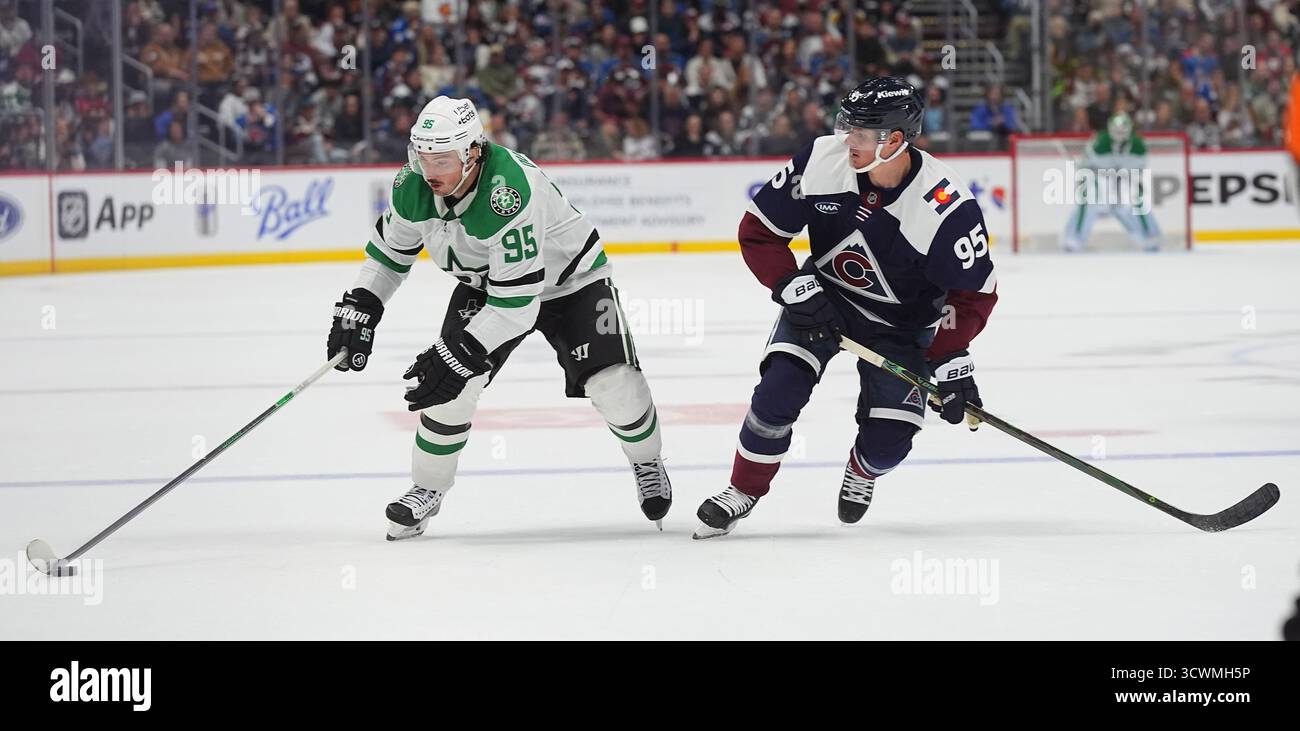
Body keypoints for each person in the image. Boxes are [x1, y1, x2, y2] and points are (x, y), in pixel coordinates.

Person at [326, 97, 672, 541]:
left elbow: (518, 307)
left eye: (442, 158)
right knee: (451, 387)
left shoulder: (506, 193)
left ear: (472, 153)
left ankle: (646, 459)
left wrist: (460, 351)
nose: (429, 169)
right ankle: (426, 488)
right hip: (489, 285)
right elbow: (389, 257)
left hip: (573, 283)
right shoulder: (412, 185)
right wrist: (362, 303)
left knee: (614, 383)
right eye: (422, 155)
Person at [694, 77, 999, 538]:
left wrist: (952, 357)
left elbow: (973, 294)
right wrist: (793, 286)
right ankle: (743, 490)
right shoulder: (822, 159)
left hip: (902, 325)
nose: (847, 140)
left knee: (889, 444)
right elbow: (760, 232)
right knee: (777, 392)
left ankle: (864, 468)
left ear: (894, 140)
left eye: (859, 133)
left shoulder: (946, 208)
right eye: (847, 127)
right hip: (824, 299)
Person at [1061, 112, 1161, 252]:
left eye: (1122, 131)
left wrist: (1123, 181)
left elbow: (1138, 170)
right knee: (1088, 201)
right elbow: (1086, 167)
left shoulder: (1138, 145)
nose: (1119, 135)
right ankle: (1074, 237)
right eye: (1116, 131)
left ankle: (1149, 236)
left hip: (1123, 179)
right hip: (1100, 178)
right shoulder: (1100, 142)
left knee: (1134, 201)